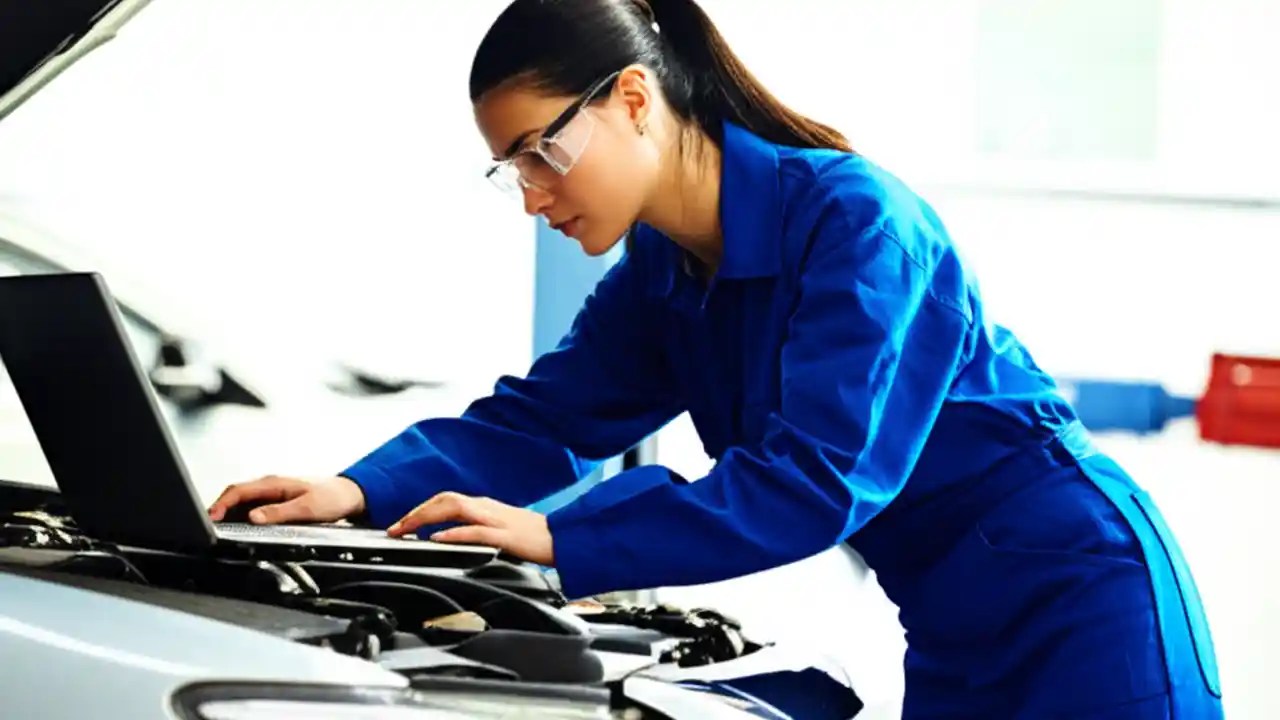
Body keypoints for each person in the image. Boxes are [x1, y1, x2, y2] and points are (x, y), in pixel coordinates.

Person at [207, 0, 1224, 717]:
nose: (529, 194)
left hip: (1081, 596)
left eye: (540, 152)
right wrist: (353, 491)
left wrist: (561, 541)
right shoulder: (663, 270)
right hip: (952, 624)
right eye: (506, 168)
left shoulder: (855, 219)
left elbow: (812, 479)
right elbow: (541, 420)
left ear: (635, 99)